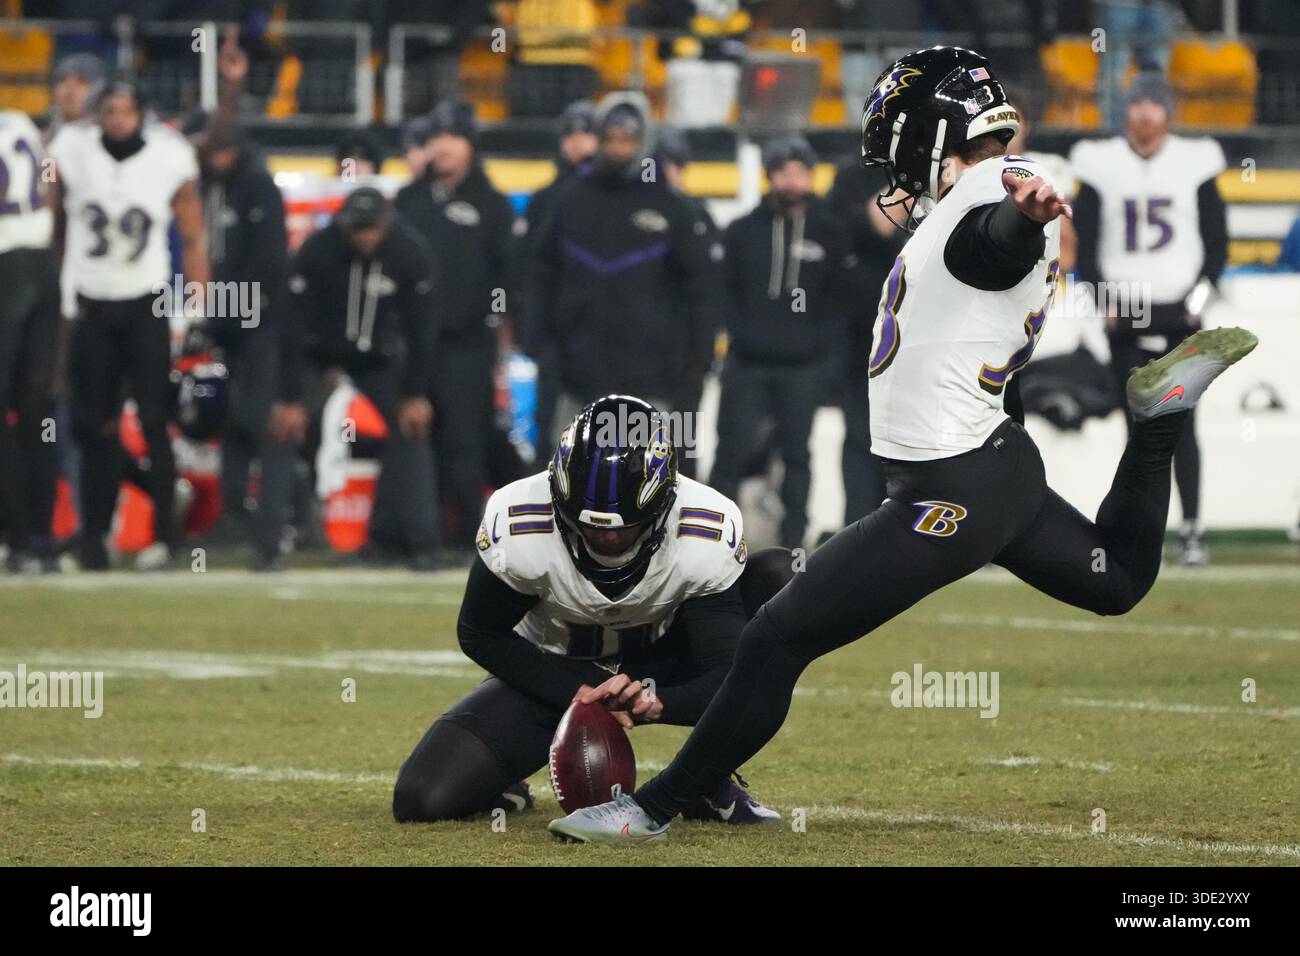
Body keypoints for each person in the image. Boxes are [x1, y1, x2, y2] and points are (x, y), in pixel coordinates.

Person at [548, 46, 1256, 844]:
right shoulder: (997, 184)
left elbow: (992, 243)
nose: (890, 165)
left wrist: (1020, 222)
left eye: (895, 142)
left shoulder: (994, 193)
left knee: (779, 636)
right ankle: (1156, 424)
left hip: (949, 488)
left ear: (932, 133)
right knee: (1116, 578)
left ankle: (650, 810)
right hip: (995, 464)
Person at [393, 395, 783, 825]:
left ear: (662, 505)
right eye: (589, 527)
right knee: (421, 799)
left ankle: (703, 781)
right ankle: (504, 778)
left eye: (622, 531)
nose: (605, 542)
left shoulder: (703, 525)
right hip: (556, 669)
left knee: (777, 577)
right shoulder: (521, 519)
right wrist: (577, 693)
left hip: (661, 663)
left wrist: (657, 702)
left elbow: (726, 672)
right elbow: (480, 633)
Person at [49, 81, 211, 572]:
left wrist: (199, 307)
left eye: (126, 110)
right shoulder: (70, 149)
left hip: (148, 301)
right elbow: (53, 221)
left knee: (154, 422)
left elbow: (194, 236)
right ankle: (93, 539)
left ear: (142, 114)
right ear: (98, 115)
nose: (118, 119)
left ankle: (166, 538)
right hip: (89, 302)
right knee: (92, 427)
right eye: (110, 110)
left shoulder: (169, 155)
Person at [1071, 72, 1228, 565]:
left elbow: (1216, 239)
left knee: (1183, 425)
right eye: (1137, 103)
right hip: (1128, 306)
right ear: (1125, 110)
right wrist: (1104, 301)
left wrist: (1198, 299)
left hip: (1181, 307)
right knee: (1136, 428)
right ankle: (1138, 533)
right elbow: (1088, 242)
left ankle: (1192, 529)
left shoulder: (1194, 161)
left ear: (1168, 111)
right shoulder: (1100, 163)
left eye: (1154, 104)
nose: (1145, 112)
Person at [261, 187, 439, 570]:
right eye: (357, 227)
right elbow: (290, 326)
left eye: (372, 227)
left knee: (411, 429)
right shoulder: (315, 252)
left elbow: (423, 331)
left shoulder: (410, 254)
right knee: (282, 430)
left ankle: (421, 545)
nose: (365, 235)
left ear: (387, 224)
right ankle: (268, 548)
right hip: (316, 354)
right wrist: (290, 397)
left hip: (378, 358)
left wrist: (415, 393)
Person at [525, 95, 718, 442]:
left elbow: (700, 288)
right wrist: (540, 343)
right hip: (576, 377)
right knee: (571, 484)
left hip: (653, 380)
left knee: (650, 485)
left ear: (644, 141)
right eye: (610, 139)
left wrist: (697, 358)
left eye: (627, 140)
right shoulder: (569, 201)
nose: (617, 149)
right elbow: (541, 274)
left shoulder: (673, 207)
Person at [709, 134, 858, 549]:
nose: (792, 181)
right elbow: (723, 294)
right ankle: (716, 542)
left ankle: (794, 545)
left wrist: (824, 359)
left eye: (800, 172)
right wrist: (741, 337)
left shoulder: (830, 231)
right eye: (783, 172)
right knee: (729, 455)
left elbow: (841, 302)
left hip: (804, 368)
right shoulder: (741, 231)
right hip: (747, 364)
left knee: (798, 457)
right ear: (770, 176)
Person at [394, 101, 516, 553]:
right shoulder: (409, 201)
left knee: (466, 441)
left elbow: (506, 278)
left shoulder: (493, 206)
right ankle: (411, 536)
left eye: (453, 137)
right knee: (412, 442)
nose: (442, 147)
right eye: (434, 138)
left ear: (470, 145)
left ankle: (469, 537)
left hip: (466, 345)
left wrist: (497, 330)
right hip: (412, 344)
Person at [0, 109, 61, 572]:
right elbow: (52, 190)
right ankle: (40, 539)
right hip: (42, 264)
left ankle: (17, 536)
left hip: (5, 266)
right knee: (36, 410)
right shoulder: (20, 122)